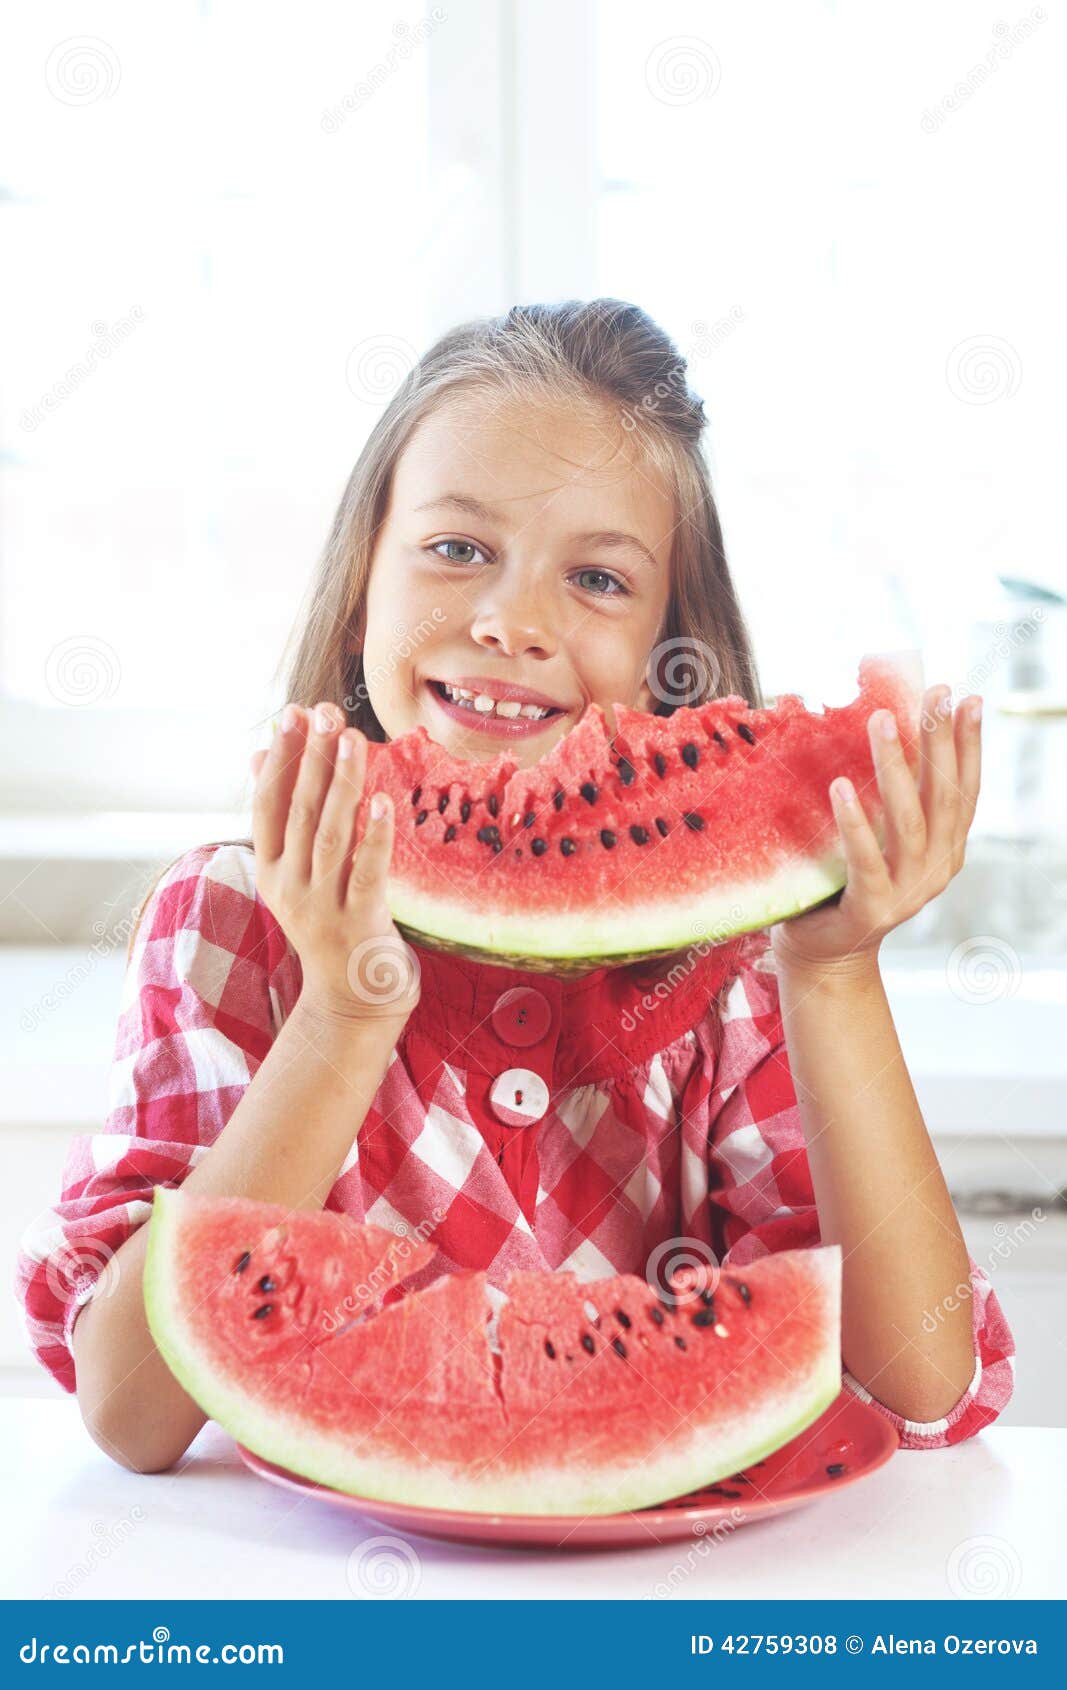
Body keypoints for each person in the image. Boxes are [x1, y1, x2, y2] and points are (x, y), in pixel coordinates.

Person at [16, 300, 1014, 1476]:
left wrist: (836, 976)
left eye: (596, 578)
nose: (511, 621)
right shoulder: (234, 923)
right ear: (357, 591)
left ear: (666, 663)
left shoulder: (740, 973)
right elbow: (133, 1407)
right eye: (456, 549)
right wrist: (344, 1011)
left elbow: (916, 1378)